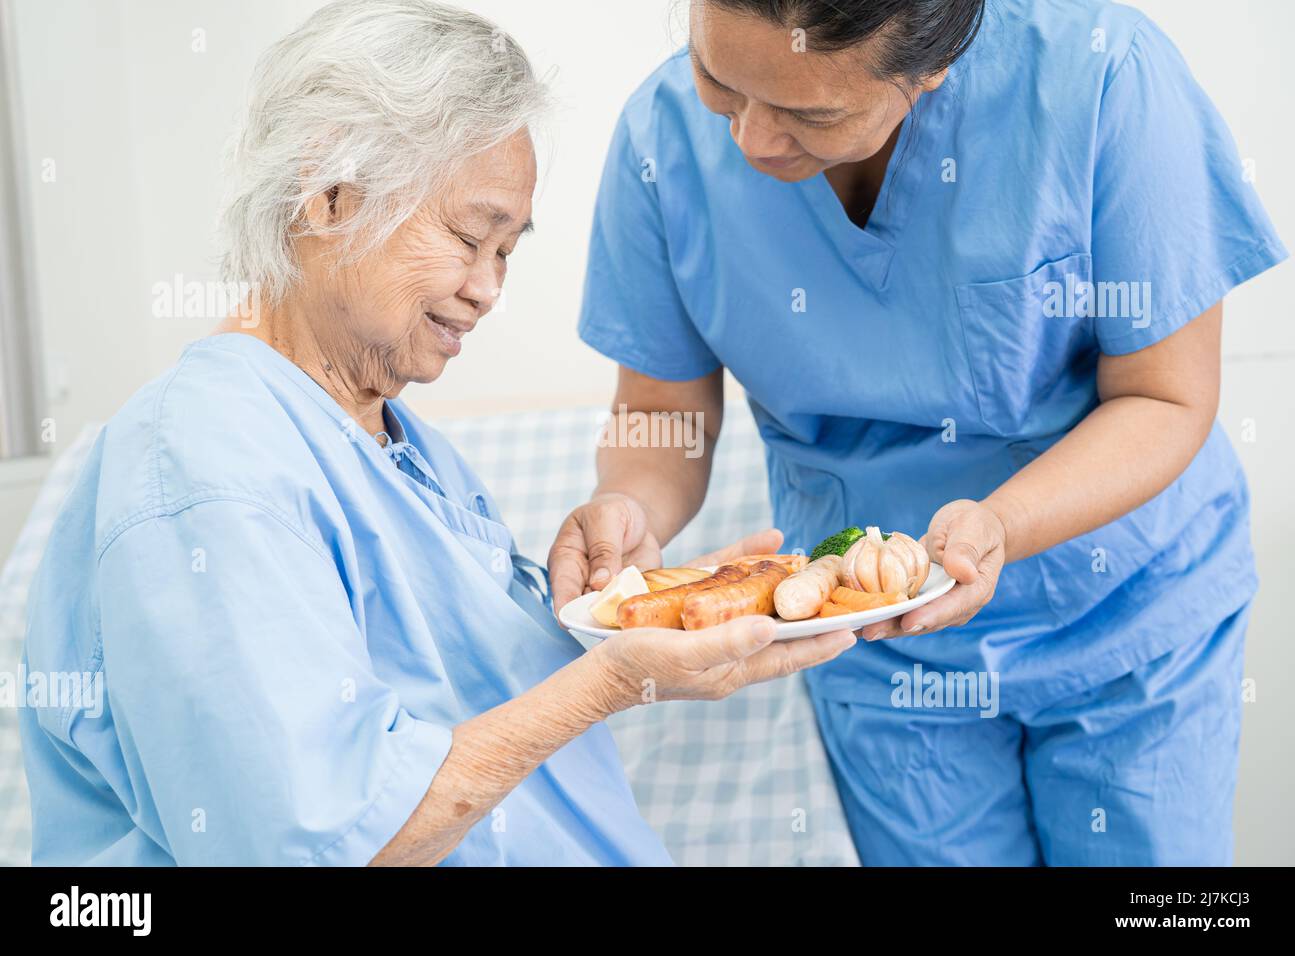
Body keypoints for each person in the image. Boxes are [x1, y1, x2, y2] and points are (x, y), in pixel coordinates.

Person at [18, 0, 854, 867]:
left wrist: (631, 603)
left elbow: (468, 703)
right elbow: (320, 843)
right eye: (468, 238)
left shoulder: (397, 442)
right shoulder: (203, 462)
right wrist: (610, 681)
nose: (490, 289)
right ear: (332, 196)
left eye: (507, 253)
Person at [550, 0, 1286, 865]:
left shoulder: (1102, 78)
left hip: (1126, 616)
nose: (749, 140)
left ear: (934, 63)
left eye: (811, 113)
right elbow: (660, 412)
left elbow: (1164, 400)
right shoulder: (660, 138)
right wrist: (632, 509)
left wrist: (1000, 526)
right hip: (877, 637)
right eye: (719, 80)